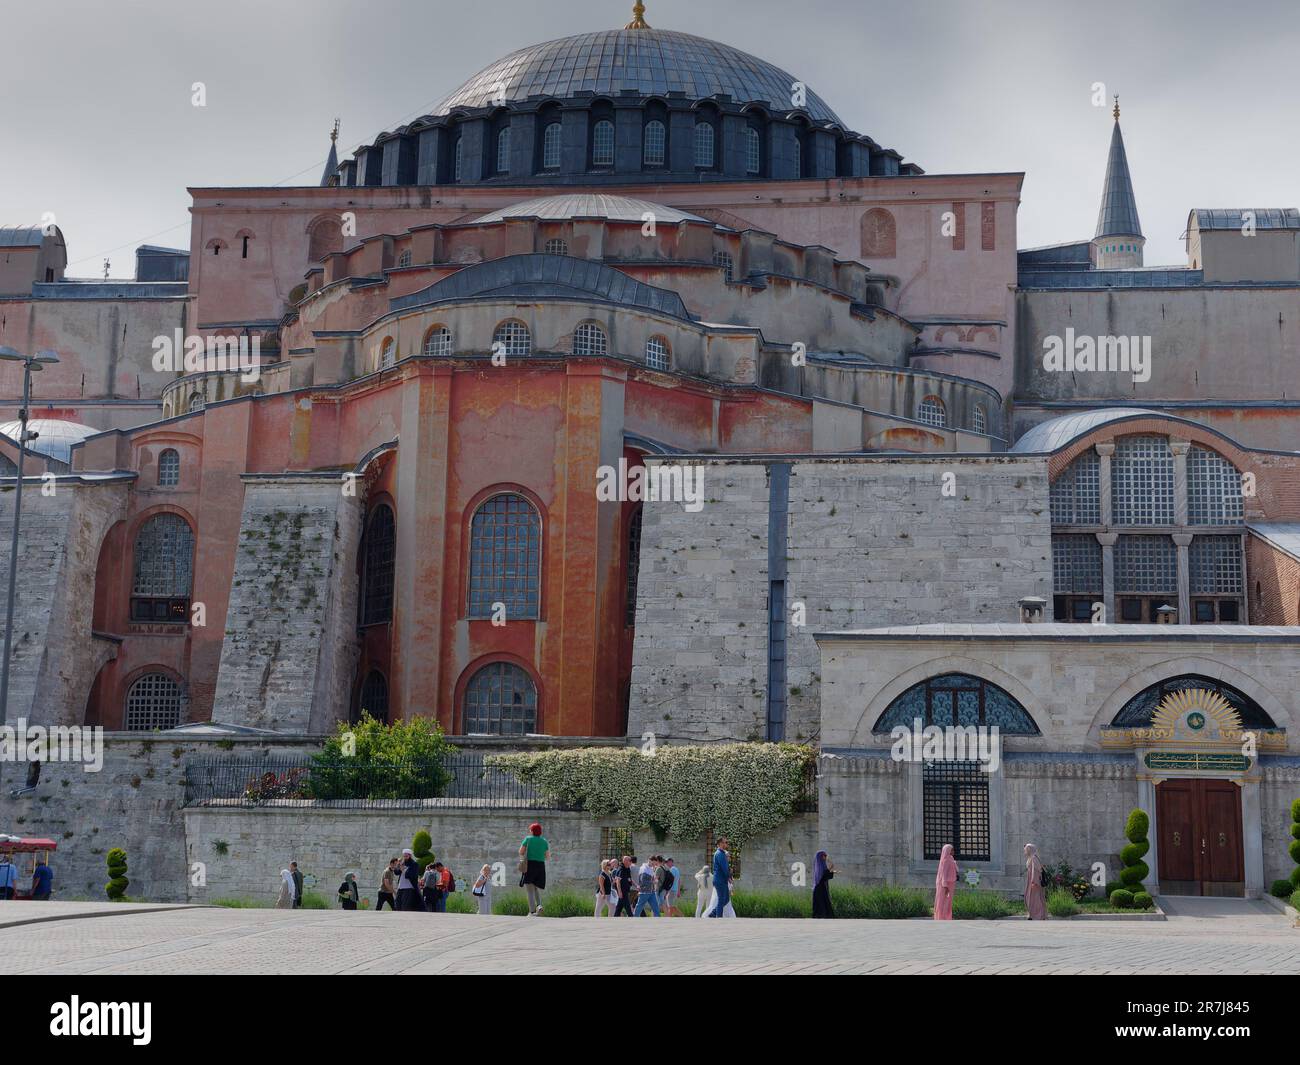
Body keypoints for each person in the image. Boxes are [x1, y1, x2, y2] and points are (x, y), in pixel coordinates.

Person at [518, 822, 549, 915]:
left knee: (529, 889)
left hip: (530, 865)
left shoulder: (528, 839)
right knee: (535, 888)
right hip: (540, 866)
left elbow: (521, 851)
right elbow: (547, 856)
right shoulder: (544, 841)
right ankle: (539, 906)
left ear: (532, 831)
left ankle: (531, 912)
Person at [707, 837, 732, 918]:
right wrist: (729, 877)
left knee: (726, 899)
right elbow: (724, 868)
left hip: (721, 880)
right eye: (725, 842)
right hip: (720, 880)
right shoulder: (720, 854)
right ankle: (718, 917)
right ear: (720, 843)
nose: (726, 844)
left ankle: (713, 914)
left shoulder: (721, 853)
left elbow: (725, 868)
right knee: (721, 899)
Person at [934, 843, 958, 920]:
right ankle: (941, 917)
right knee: (943, 901)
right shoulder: (945, 860)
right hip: (945, 884)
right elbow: (943, 874)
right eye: (952, 850)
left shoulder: (951, 859)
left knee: (948, 901)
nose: (953, 851)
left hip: (951, 883)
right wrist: (945, 886)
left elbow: (956, 869)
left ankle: (947, 916)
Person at [1024, 843, 1048, 921]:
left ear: (1030, 850)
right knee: (1030, 898)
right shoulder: (1030, 858)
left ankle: (1039, 915)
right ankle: (1032, 914)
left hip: (1034, 881)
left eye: (1027, 849)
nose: (1025, 851)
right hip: (1031, 880)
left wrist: (1034, 882)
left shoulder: (1034, 858)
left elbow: (1037, 871)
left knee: (1036, 899)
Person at [812, 851, 834, 918]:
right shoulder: (820, 867)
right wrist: (829, 861)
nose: (825, 857)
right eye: (824, 855)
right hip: (819, 889)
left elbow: (825, 874)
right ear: (820, 857)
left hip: (821, 888)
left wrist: (831, 871)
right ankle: (821, 915)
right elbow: (826, 873)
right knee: (821, 903)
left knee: (823, 903)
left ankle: (822, 915)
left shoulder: (821, 866)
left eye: (825, 855)